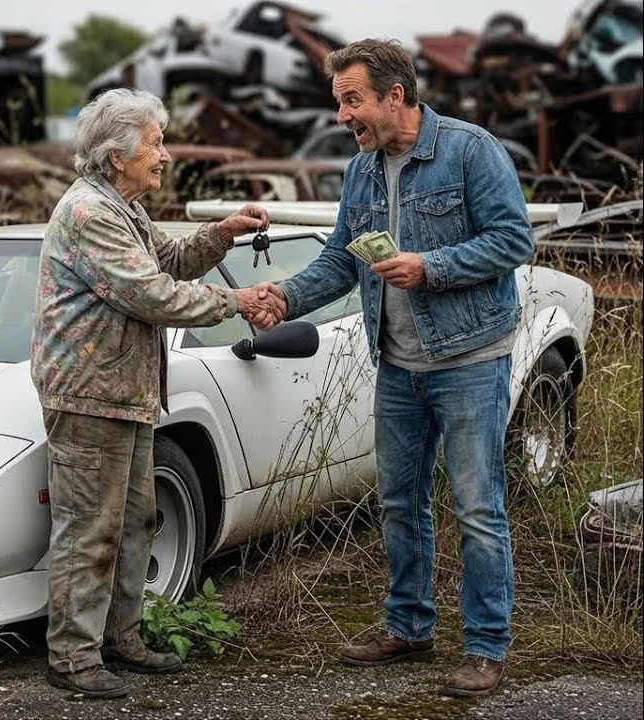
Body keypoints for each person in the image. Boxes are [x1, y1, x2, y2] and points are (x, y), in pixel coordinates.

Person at [252, 39, 533, 697]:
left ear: (394, 95)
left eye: (353, 101)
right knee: (401, 501)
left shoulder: (470, 151)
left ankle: (486, 648)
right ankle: (408, 627)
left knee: (476, 507)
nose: (345, 115)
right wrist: (285, 296)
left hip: (469, 360)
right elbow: (340, 260)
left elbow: (513, 239)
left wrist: (430, 268)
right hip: (398, 364)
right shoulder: (362, 171)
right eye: (340, 102)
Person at [31, 87, 283, 699]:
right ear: (117, 156)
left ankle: (122, 637)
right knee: (90, 527)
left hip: (126, 391)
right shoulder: (90, 213)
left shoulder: (123, 208)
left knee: (136, 519)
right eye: (155, 143)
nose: (165, 155)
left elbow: (169, 259)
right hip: (91, 397)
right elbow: (153, 294)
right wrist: (239, 300)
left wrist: (221, 233)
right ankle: (73, 656)